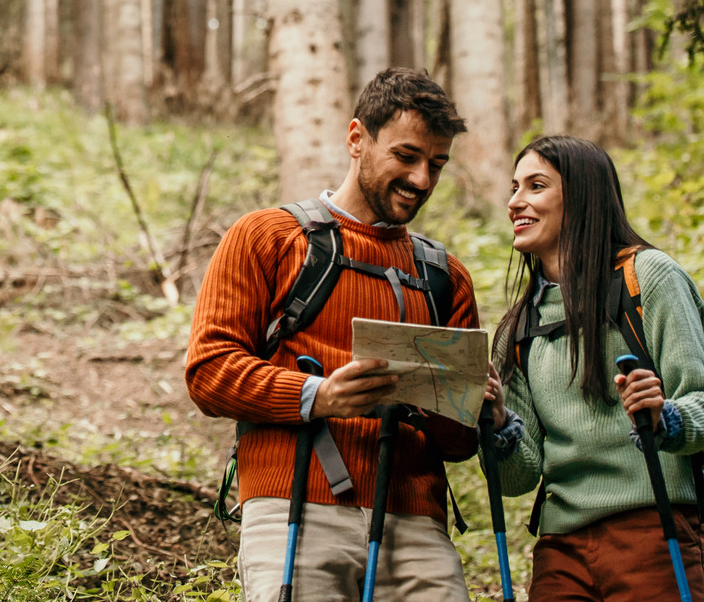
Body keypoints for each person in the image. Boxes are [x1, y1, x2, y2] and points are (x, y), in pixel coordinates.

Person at [187, 68, 500, 602]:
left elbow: (458, 444)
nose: (422, 180)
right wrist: (321, 395)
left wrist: (470, 403)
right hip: (293, 507)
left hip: (417, 525)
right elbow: (209, 371)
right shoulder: (267, 238)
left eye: (437, 164)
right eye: (406, 156)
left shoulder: (445, 276)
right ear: (357, 138)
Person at [483, 135, 704, 601]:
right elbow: (517, 480)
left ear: (582, 195)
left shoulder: (648, 277)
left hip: (657, 528)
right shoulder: (517, 326)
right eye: (514, 188)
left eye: (536, 186)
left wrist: (663, 417)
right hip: (560, 549)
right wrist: (497, 427)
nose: (515, 202)